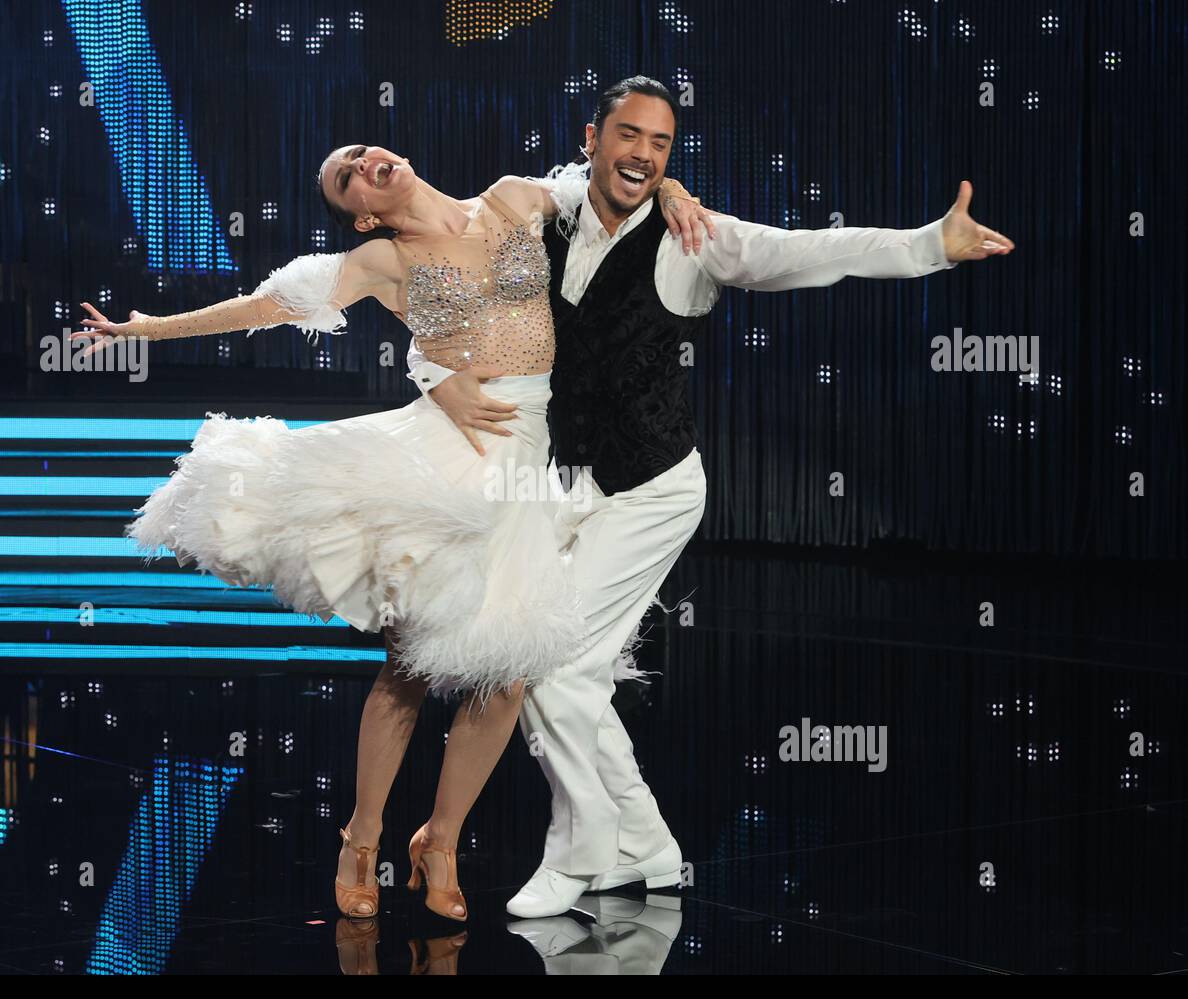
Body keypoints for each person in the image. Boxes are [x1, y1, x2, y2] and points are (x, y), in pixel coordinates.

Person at [412, 76, 1015, 919]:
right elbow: (477, 227)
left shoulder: (696, 238)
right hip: (571, 484)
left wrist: (924, 245)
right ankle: (650, 844)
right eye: (630, 136)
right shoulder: (549, 207)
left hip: (655, 487)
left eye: (661, 145)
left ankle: (580, 850)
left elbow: (806, 251)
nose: (644, 155)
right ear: (593, 136)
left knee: (550, 669)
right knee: (562, 669)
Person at [71, 142, 710, 922]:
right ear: (363, 210)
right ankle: (361, 838)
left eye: (363, 150)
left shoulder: (512, 197)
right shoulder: (380, 257)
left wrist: (671, 186)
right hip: (442, 463)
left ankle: (439, 842)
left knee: (507, 673)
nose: (365, 159)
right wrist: (148, 329)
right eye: (346, 173)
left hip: (523, 461)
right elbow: (266, 306)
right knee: (407, 666)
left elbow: (614, 191)